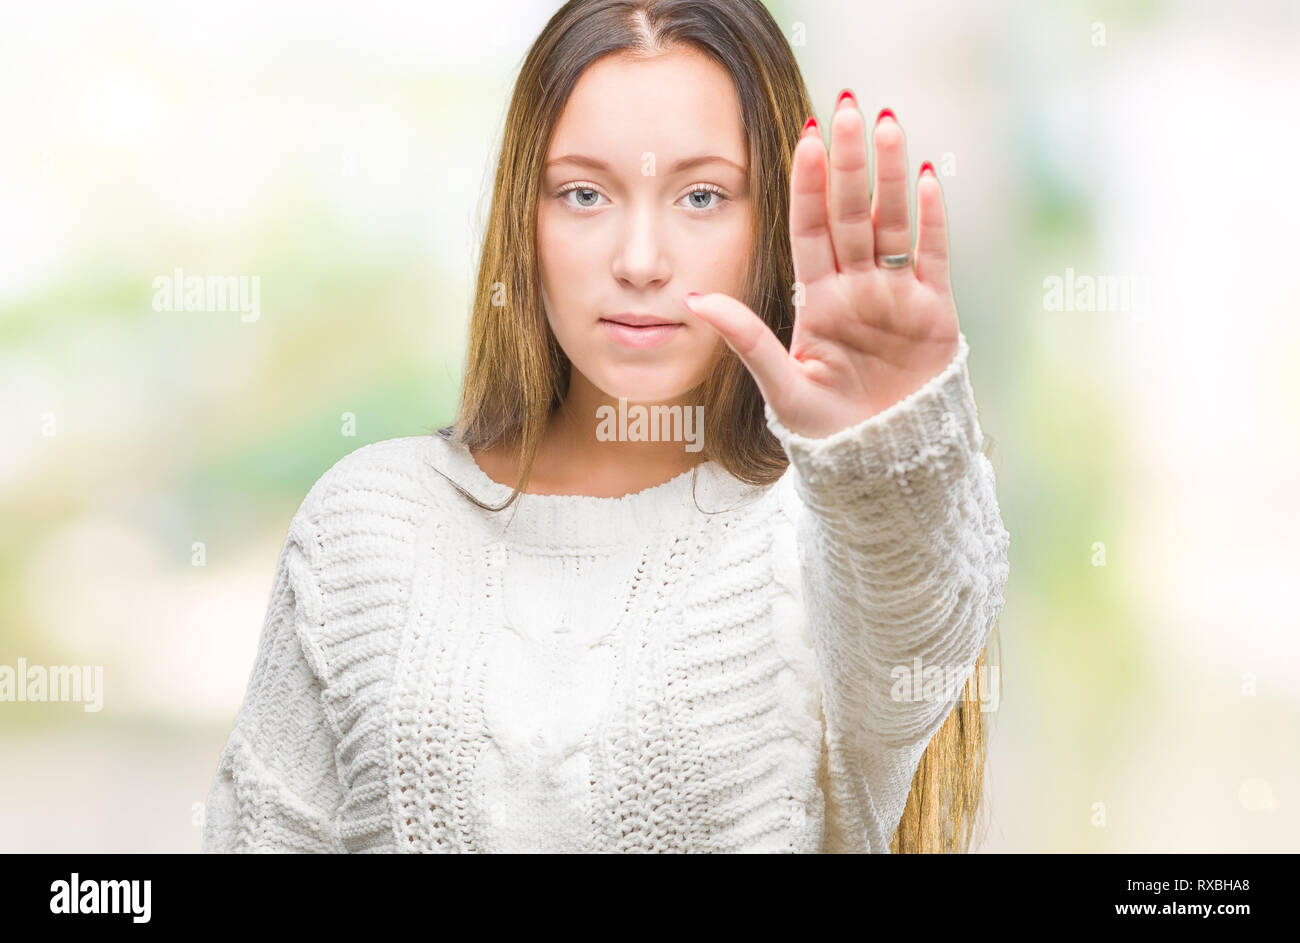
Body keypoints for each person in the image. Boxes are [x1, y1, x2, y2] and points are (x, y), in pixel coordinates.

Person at [201, 0, 1010, 854]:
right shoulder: (365, 525)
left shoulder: (826, 541)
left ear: (769, 221)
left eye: (702, 195)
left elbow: (927, 608)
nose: (639, 260)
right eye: (584, 193)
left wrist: (886, 454)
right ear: (527, 216)